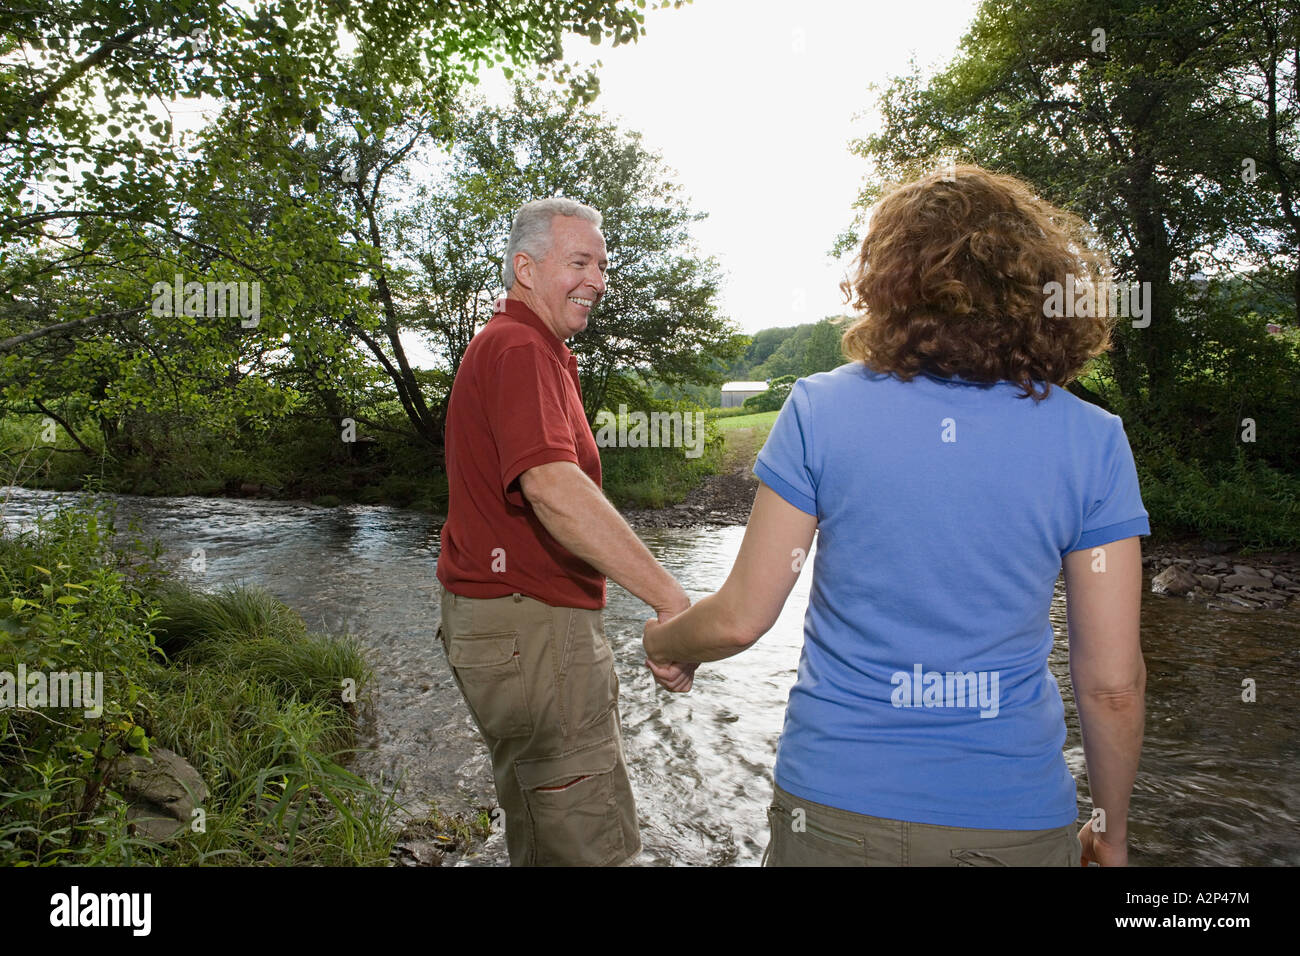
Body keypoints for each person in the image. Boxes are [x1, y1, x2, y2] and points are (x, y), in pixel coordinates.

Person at [643, 165, 1148, 867]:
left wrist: (667, 646)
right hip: (1012, 820)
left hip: (834, 811)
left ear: (888, 283)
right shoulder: (1094, 441)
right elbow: (1113, 685)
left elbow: (739, 618)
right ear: (1039, 289)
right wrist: (1111, 834)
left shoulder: (820, 410)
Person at [436, 197, 693, 867]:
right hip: (534, 632)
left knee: (543, 824)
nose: (598, 280)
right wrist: (671, 600)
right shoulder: (520, 346)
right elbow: (552, 488)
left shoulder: (514, 344)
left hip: (503, 631)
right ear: (526, 268)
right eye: (579, 262)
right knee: (588, 842)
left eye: (602, 266)